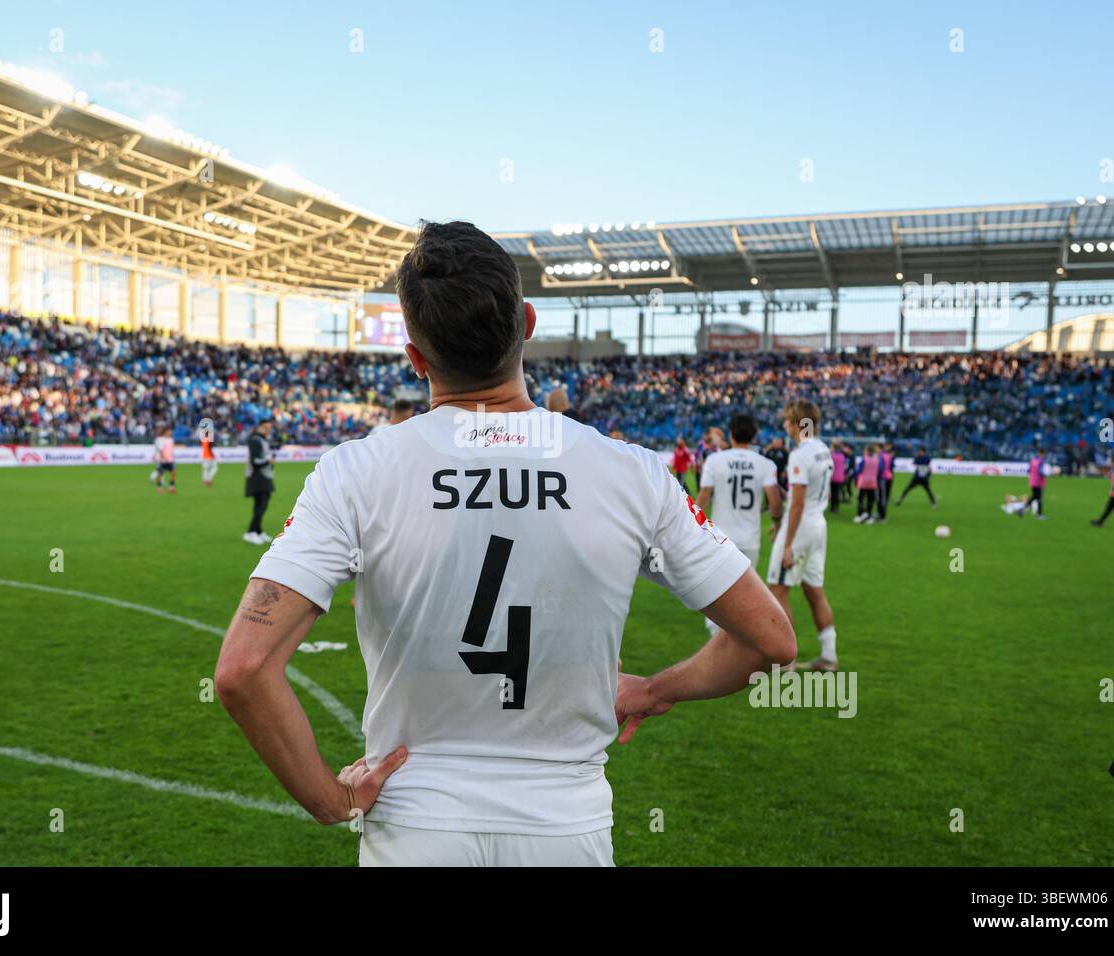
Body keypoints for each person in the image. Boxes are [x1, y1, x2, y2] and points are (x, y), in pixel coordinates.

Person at [213, 220, 796, 867]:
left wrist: (333, 801)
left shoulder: (356, 471)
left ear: (415, 356)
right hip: (564, 825)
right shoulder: (629, 472)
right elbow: (770, 640)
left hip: (416, 824)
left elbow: (242, 670)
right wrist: (655, 689)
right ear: (527, 323)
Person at [765, 400, 838, 673]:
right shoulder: (823, 449)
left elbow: (797, 503)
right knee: (814, 591)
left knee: (778, 590)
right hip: (818, 524)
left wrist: (787, 543)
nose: (785, 425)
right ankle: (829, 656)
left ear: (798, 424)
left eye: (787, 421)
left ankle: (786, 662)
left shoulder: (800, 454)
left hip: (802, 527)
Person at [696, 413, 781, 570]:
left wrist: (692, 526)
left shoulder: (714, 461)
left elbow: (704, 495)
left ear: (730, 434)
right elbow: (775, 502)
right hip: (750, 539)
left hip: (720, 537)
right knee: (745, 592)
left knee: (717, 590)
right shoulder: (766, 464)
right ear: (754, 436)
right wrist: (777, 525)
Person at [243, 419, 275, 544]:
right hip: (258, 476)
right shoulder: (255, 440)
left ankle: (258, 531)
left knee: (261, 504)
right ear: (260, 427)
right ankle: (250, 532)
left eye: (269, 427)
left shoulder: (260, 439)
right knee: (261, 504)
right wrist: (268, 461)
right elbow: (255, 461)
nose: (268, 430)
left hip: (263, 476)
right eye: (266, 427)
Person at [853, 443, 880, 524]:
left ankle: (860, 515)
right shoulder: (877, 460)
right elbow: (880, 471)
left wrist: (856, 481)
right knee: (870, 500)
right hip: (873, 482)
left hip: (863, 482)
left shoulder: (864, 459)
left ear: (867, 451)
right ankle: (869, 516)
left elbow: (858, 471)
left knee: (861, 499)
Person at [152, 425, 176, 495]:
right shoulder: (160, 439)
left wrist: (172, 457)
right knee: (161, 474)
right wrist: (164, 457)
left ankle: (171, 487)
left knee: (173, 473)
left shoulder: (171, 440)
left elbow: (171, 450)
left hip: (170, 460)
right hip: (163, 460)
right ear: (165, 432)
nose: (170, 433)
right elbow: (161, 450)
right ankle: (159, 488)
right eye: (169, 432)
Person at [1027, 447, 1049, 519]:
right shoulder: (1041, 461)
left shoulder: (1033, 460)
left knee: (1034, 497)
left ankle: (1022, 508)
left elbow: (1029, 470)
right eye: (1044, 454)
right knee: (1039, 498)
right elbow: (1041, 472)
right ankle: (1039, 515)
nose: (1044, 455)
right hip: (1039, 482)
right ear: (1042, 454)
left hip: (1032, 481)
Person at [876, 443, 894, 522]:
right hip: (888, 477)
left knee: (881, 497)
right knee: (883, 497)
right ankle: (880, 514)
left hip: (883, 478)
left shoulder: (881, 456)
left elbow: (881, 468)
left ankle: (882, 516)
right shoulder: (888, 455)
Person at [829, 443, 847, 515]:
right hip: (840, 477)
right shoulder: (842, 456)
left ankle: (833, 507)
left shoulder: (831, 456)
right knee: (837, 493)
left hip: (833, 476)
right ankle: (836, 507)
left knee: (833, 493)